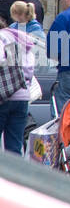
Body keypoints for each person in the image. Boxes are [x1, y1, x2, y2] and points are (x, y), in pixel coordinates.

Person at [0, 24, 36, 154]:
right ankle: (13, 174)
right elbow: (30, 69)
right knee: (15, 145)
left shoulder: (2, 37)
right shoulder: (23, 39)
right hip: (22, 96)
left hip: (4, 96)